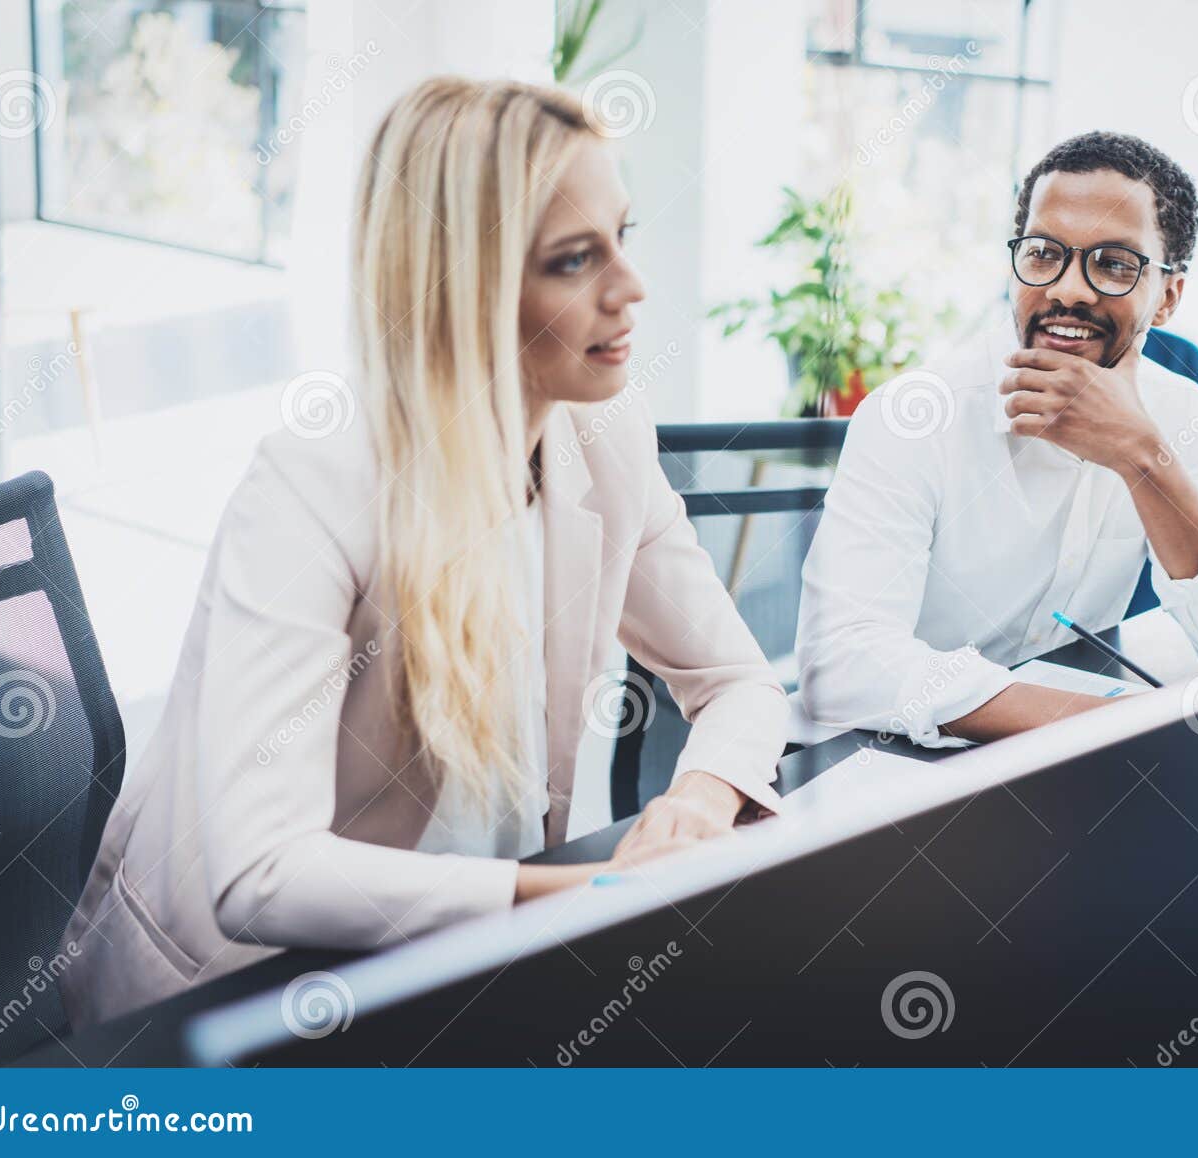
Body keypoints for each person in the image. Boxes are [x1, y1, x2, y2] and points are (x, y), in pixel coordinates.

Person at [60, 78, 787, 1026]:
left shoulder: (602, 441)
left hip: (464, 961)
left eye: (623, 236)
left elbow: (739, 682)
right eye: (575, 260)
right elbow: (261, 873)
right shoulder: (311, 486)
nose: (630, 285)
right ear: (464, 288)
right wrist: (586, 897)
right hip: (236, 999)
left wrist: (697, 800)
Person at [796, 131, 1198, 747]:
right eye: (1043, 253)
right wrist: (1116, 727)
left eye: (1114, 263)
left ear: (1168, 296)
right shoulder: (912, 417)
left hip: (1054, 770)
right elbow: (839, 666)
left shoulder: (1182, 412)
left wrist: (1142, 458)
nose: (1068, 290)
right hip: (880, 757)